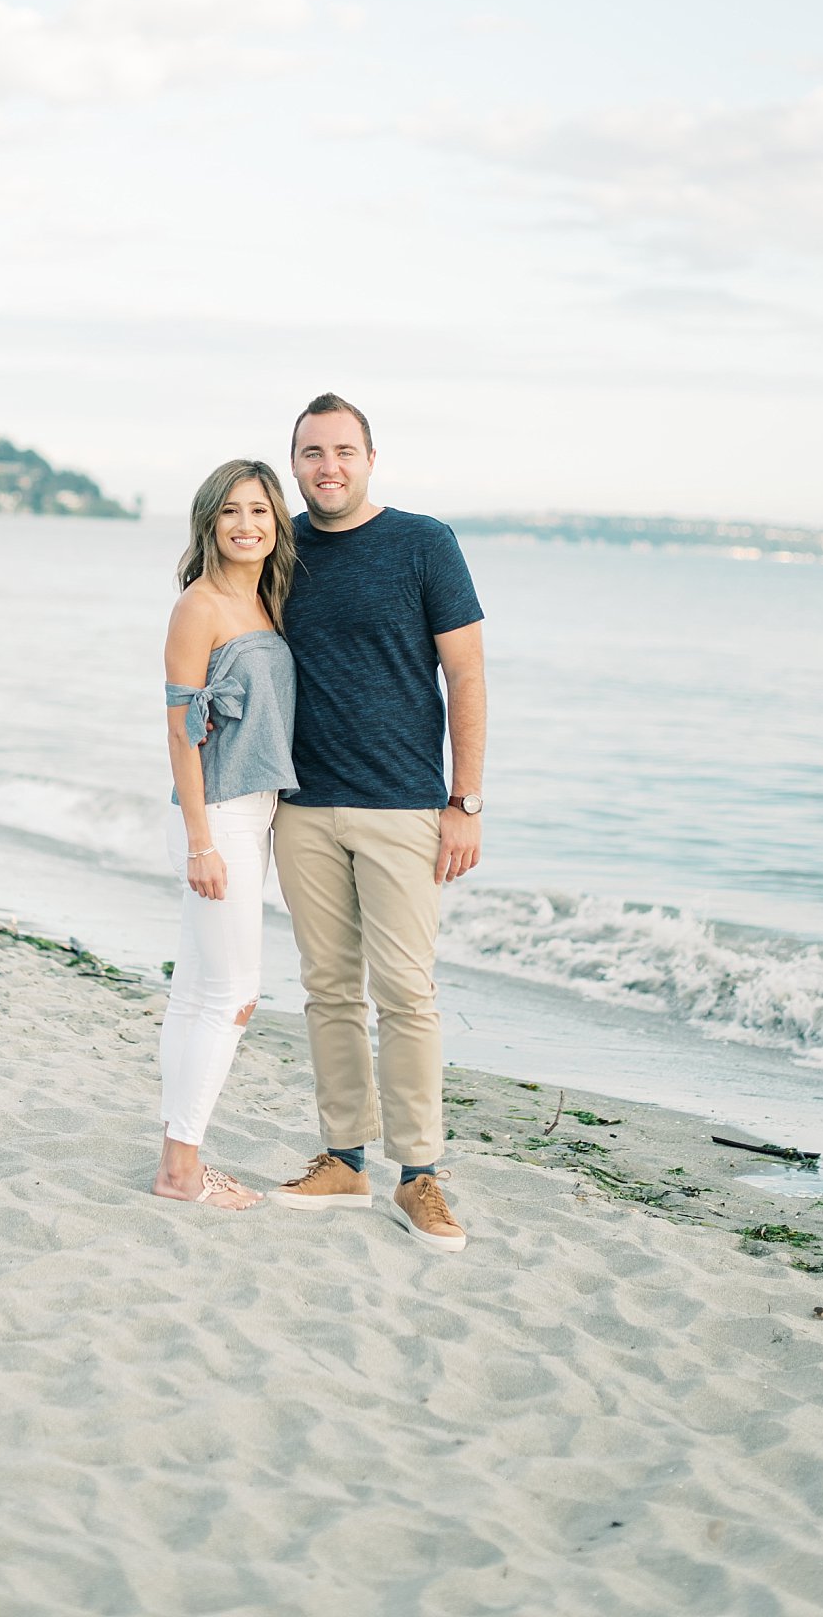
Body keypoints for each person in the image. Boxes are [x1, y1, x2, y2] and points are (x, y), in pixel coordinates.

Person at [270, 394, 486, 1252]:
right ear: (294, 463)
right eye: (312, 452)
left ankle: (420, 1176)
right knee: (327, 990)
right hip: (303, 808)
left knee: (406, 995)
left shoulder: (423, 543)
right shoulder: (277, 548)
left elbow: (465, 676)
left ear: (369, 459)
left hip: (402, 806)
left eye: (343, 451)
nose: (328, 466)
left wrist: (462, 801)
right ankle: (342, 1159)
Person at [153, 459, 298, 1211]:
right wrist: (201, 841)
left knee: (195, 994)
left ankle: (174, 1155)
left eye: (261, 512)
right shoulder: (200, 606)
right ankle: (183, 1169)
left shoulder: (268, 601)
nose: (247, 525)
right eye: (231, 512)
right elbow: (181, 735)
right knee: (234, 996)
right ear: (209, 522)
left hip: (257, 808)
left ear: (277, 525)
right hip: (218, 815)